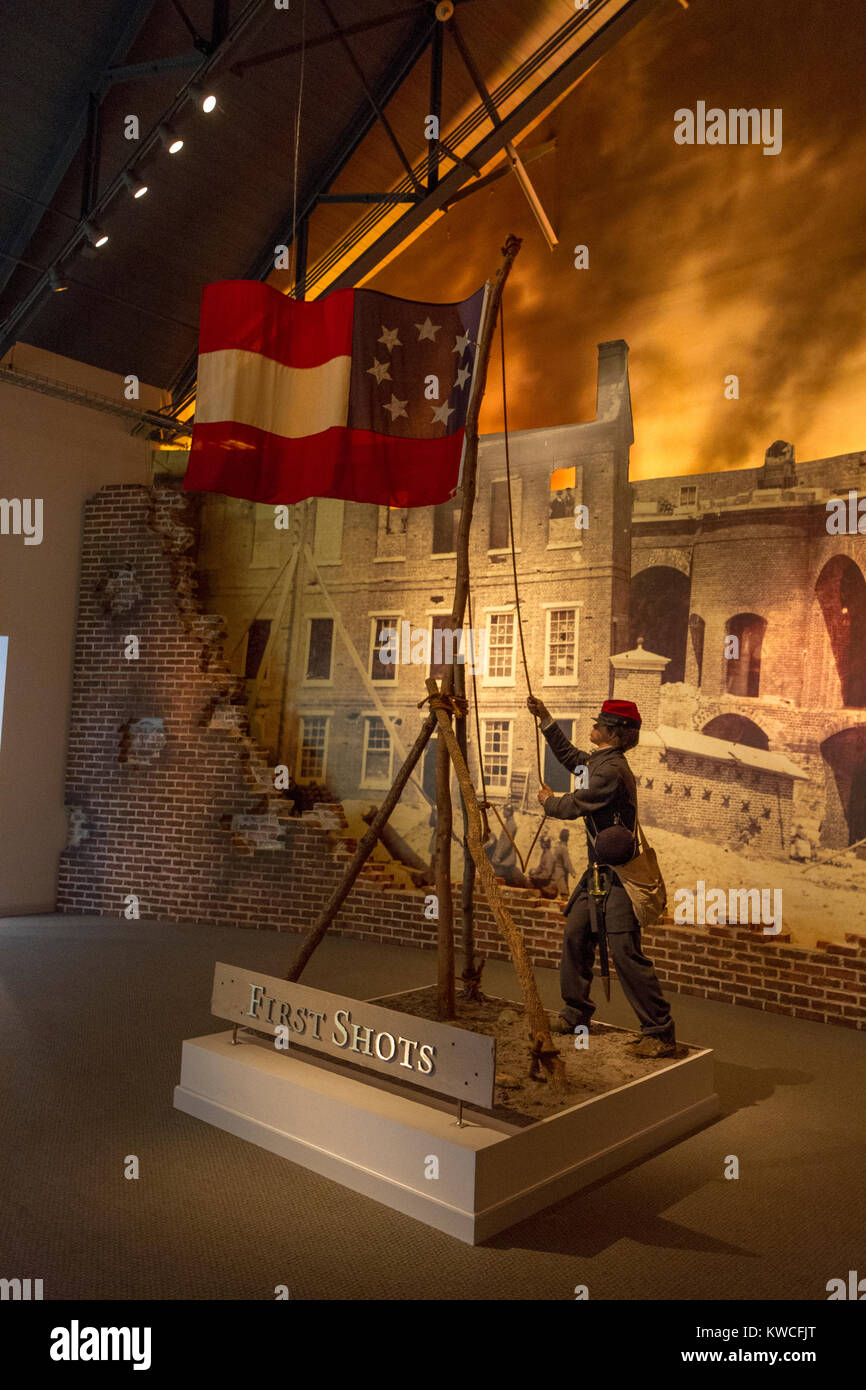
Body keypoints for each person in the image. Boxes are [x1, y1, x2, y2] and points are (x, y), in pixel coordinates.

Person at [527, 694, 676, 1057]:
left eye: (598, 723)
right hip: (597, 875)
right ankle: (576, 1014)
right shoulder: (601, 761)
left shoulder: (610, 770)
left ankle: (659, 1032)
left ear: (612, 732)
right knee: (576, 936)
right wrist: (546, 718)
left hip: (620, 878)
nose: (592, 727)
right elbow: (570, 758)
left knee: (625, 953)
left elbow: (578, 803)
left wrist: (549, 801)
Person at [551, 827, 575, 897]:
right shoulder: (563, 848)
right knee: (564, 893)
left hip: (557, 872)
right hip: (560, 872)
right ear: (567, 838)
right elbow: (567, 862)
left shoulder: (558, 846)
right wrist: (573, 872)